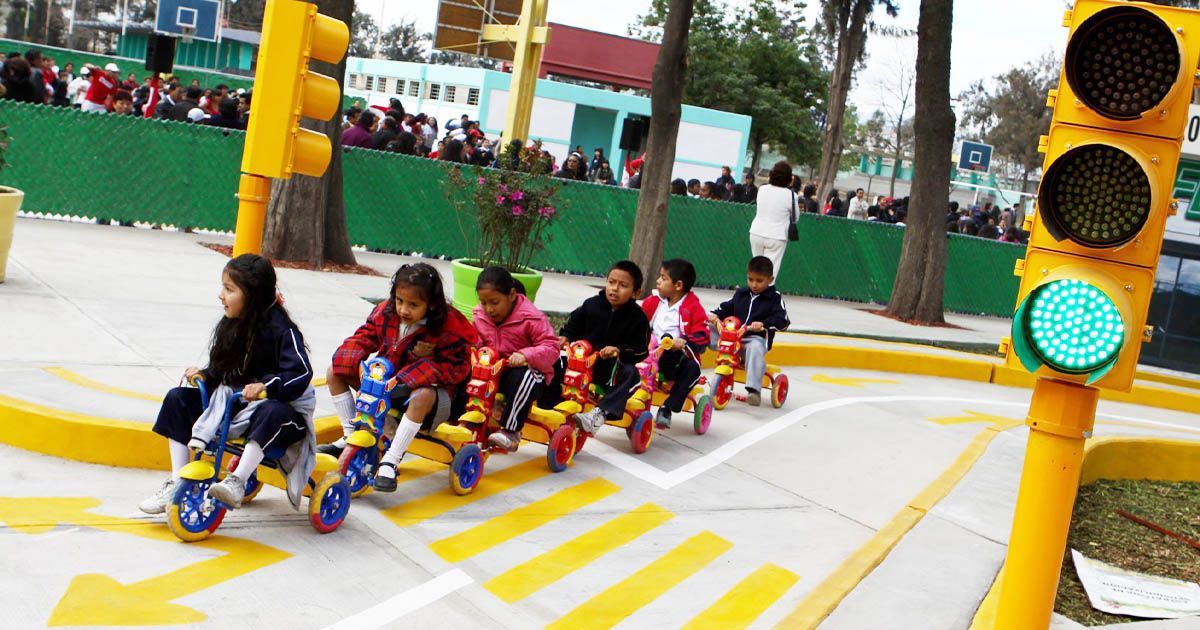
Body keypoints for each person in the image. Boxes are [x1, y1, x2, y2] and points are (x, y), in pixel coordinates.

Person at [139, 255, 315, 514]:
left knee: (271, 410)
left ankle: (237, 481)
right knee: (177, 398)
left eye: (229, 289)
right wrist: (206, 375)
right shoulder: (231, 324)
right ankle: (177, 482)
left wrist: (266, 387)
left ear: (252, 295)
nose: (221, 295)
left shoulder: (282, 331)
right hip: (237, 405)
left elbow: (300, 373)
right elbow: (224, 370)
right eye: (223, 287)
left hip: (282, 415)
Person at [319, 263, 475, 491]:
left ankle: (391, 460)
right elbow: (365, 336)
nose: (403, 309)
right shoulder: (386, 312)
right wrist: (349, 359)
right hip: (387, 383)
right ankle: (350, 434)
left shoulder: (448, 327)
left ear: (431, 305)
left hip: (426, 394)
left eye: (413, 305)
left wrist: (409, 377)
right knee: (335, 372)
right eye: (399, 301)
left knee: (422, 395)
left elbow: (457, 368)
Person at [544, 261, 649, 434]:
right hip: (582, 361)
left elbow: (641, 349)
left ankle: (598, 414)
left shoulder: (638, 318)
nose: (614, 288)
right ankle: (549, 405)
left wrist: (618, 350)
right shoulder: (591, 305)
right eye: (611, 282)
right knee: (555, 361)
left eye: (623, 285)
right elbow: (572, 326)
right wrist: (566, 337)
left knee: (630, 374)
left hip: (609, 369)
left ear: (636, 292)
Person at [471, 267, 560, 452]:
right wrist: (472, 348)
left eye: (494, 302)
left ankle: (511, 432)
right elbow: (475, 339)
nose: (489, 309)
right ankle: (462, 418)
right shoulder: (480, 315)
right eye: (483, 302)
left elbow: (551, 347)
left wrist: (526, 355)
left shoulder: (531, 317)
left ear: (512, 295)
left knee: (524, 376)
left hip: (529, 375)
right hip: (494, 371)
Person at [707, 256, 790, 406]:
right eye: (750, 279)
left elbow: (783, 320)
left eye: (759, 281)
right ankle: (692, 357)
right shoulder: (742, 293)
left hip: (753, 339)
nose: (754, 284)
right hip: (733, 336)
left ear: (770, 279)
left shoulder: (774, 298)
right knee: (707, 329)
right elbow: (727, 307)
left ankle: (753, 390)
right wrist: (715, 315)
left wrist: (764, 324)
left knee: (756, 347)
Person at [641, 259, 708, 429]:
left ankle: (667, 407)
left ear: (678, 285)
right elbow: (637, 319)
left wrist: (684, 341)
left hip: (673, 356)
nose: (658, 281)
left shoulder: (692, 307)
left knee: (693, 369)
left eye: (663, 278)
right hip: (648, 351)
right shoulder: (655, 301)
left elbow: (703, 334)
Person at [749, 161, 797, 280]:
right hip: (777, 236)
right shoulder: (791, 195)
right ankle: (766, 296)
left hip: (756, 232)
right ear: (789, 178)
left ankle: (753, 294)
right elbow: (795, 218)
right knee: (770, 271)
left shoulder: (762, 189)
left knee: (756, 268)